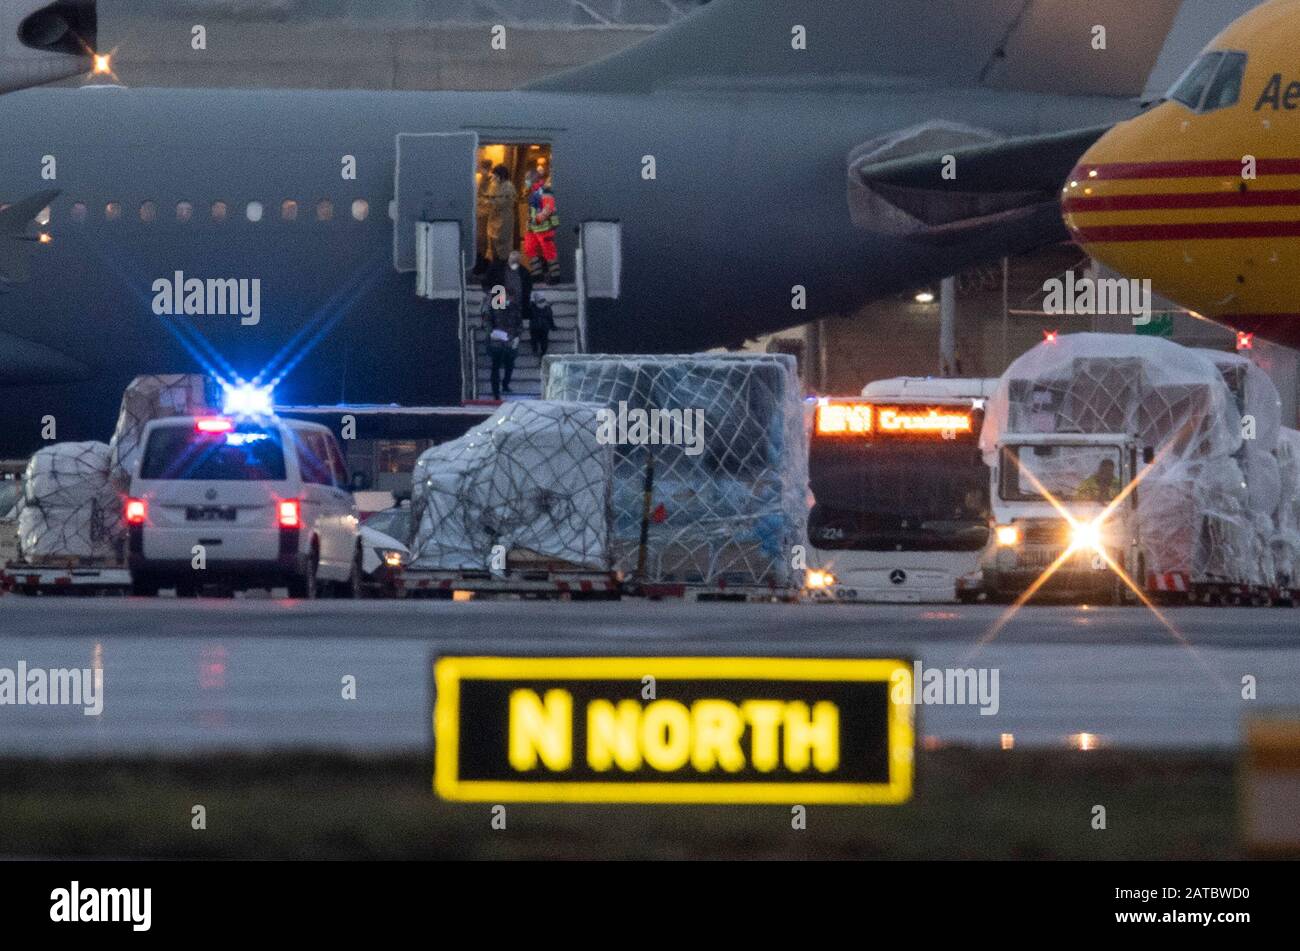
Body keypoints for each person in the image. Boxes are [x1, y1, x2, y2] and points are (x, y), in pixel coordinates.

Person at [482, 251, 529, 399]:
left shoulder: (514, 306)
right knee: (496, 366)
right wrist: (491, 332)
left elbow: (518, 323)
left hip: (509, 339)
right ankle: (496, 392)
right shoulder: (498, 303)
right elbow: (489, 318)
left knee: (509, 364)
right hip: (497, 339)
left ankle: (505, 384)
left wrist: (516, 336)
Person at [523, 170, 561, 284]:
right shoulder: (533, 192)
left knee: (549, 251)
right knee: (529, 249)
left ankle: (555, 276)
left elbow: (548, 208)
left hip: (544, 227)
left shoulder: (545, 191)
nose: (526, 181)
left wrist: (537, 219)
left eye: (527, 179)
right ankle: (537, 274)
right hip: (533, 227)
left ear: (533, 179)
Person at [486, 164, 516, 265]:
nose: (493, 177)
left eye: (495, 175)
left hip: (504, 219)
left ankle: (503, 266)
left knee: (502, 244)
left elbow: (502, 202)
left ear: (500, 175)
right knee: (493, 244)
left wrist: (489, 201)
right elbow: (489, 197)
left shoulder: (508, 186)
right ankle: (495, 265)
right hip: (494, 219)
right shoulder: (494, 185)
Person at [472, 157, 494, 275]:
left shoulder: (492, 180)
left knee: (483, 239)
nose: (483, 171)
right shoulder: (478, 178)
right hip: (479, 213)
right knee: (480, 239)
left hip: (484, 214)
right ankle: (479, 262)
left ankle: (481, 264)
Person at [529, 291, 555, 358]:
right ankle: (535, 350)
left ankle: (543, 353)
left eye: (543, 301)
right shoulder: (532, 308)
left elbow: (550, 318)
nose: (541, 303)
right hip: (534, 328)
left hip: (544, 328)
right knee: (534, 339)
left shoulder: (547, 308)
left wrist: (552, 326)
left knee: (544, 341)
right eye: (539, 301)